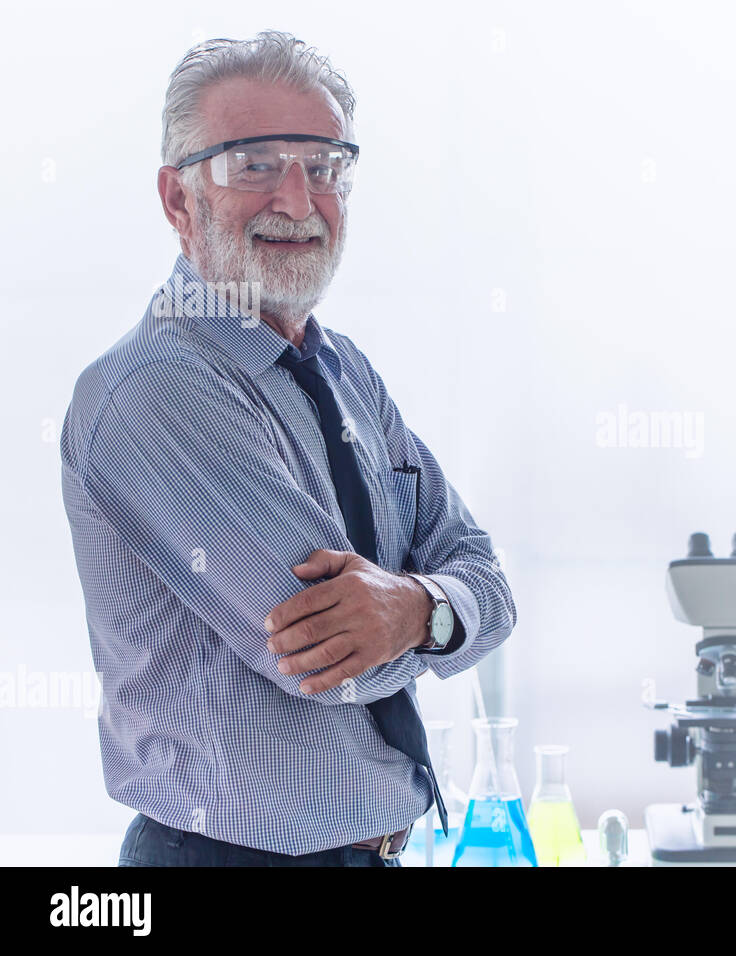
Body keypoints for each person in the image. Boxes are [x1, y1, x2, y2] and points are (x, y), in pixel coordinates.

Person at [59, 31, 516, 866]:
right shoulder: (157, 388)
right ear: (177, 200)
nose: (301, 201)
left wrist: (416, 607)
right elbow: (333, 662)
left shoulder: (344, 371)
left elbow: (487, 577)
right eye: (255, 164)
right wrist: (441, 611)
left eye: (325, 165)